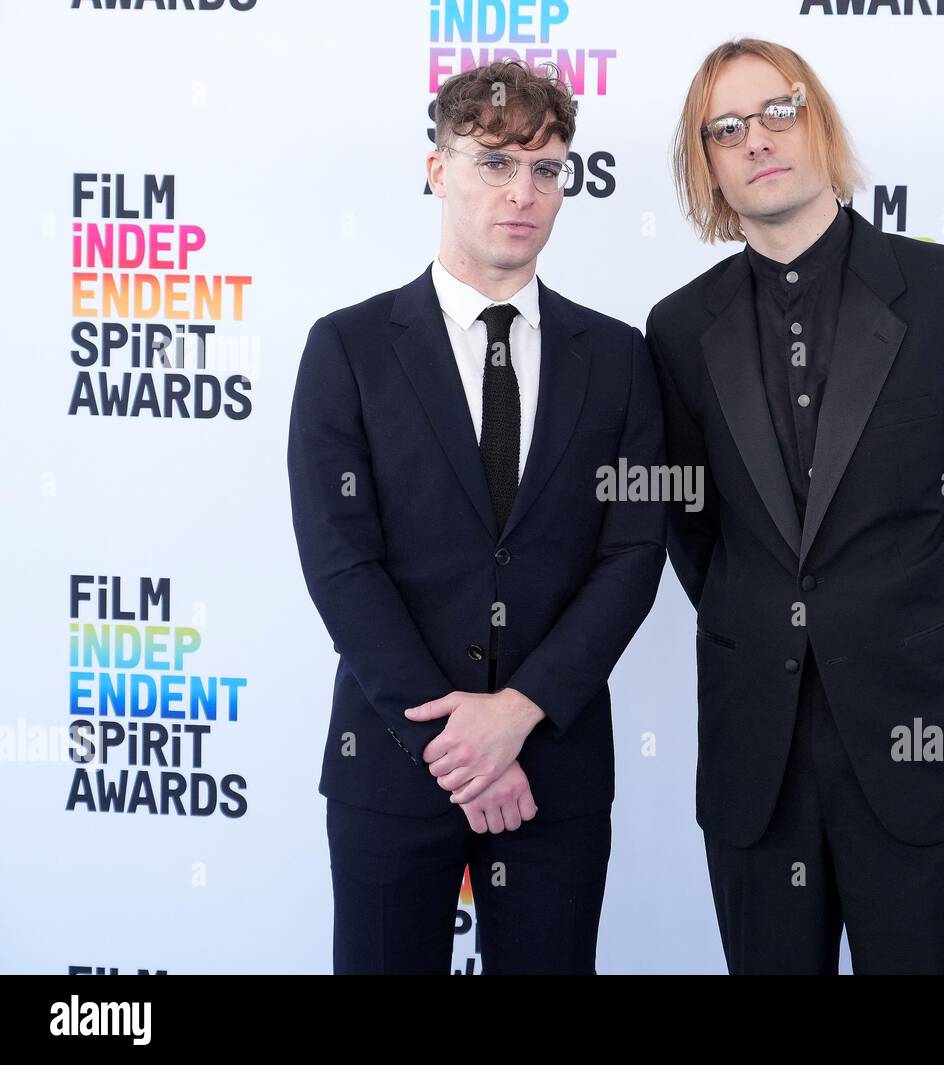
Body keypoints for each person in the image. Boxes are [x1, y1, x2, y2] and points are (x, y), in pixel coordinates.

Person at [646, 38, 944, 974]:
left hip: (924, 738)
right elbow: (694, 533)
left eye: (777, 110)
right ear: (706, 166)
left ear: (819, 119)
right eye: (727, 129)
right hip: (760, 759)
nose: (757, 140)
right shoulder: (676, 330)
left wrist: (924, 638)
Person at [287, 58, 666, 974]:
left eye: (546, 168)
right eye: (495, 162)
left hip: (556, 771)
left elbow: (634, 554)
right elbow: (341, 563)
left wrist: (520, 713)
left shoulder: (618, 358)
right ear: (438, 169)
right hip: (390, 766)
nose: (523, 191)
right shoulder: (348, 347)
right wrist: (452, 744)